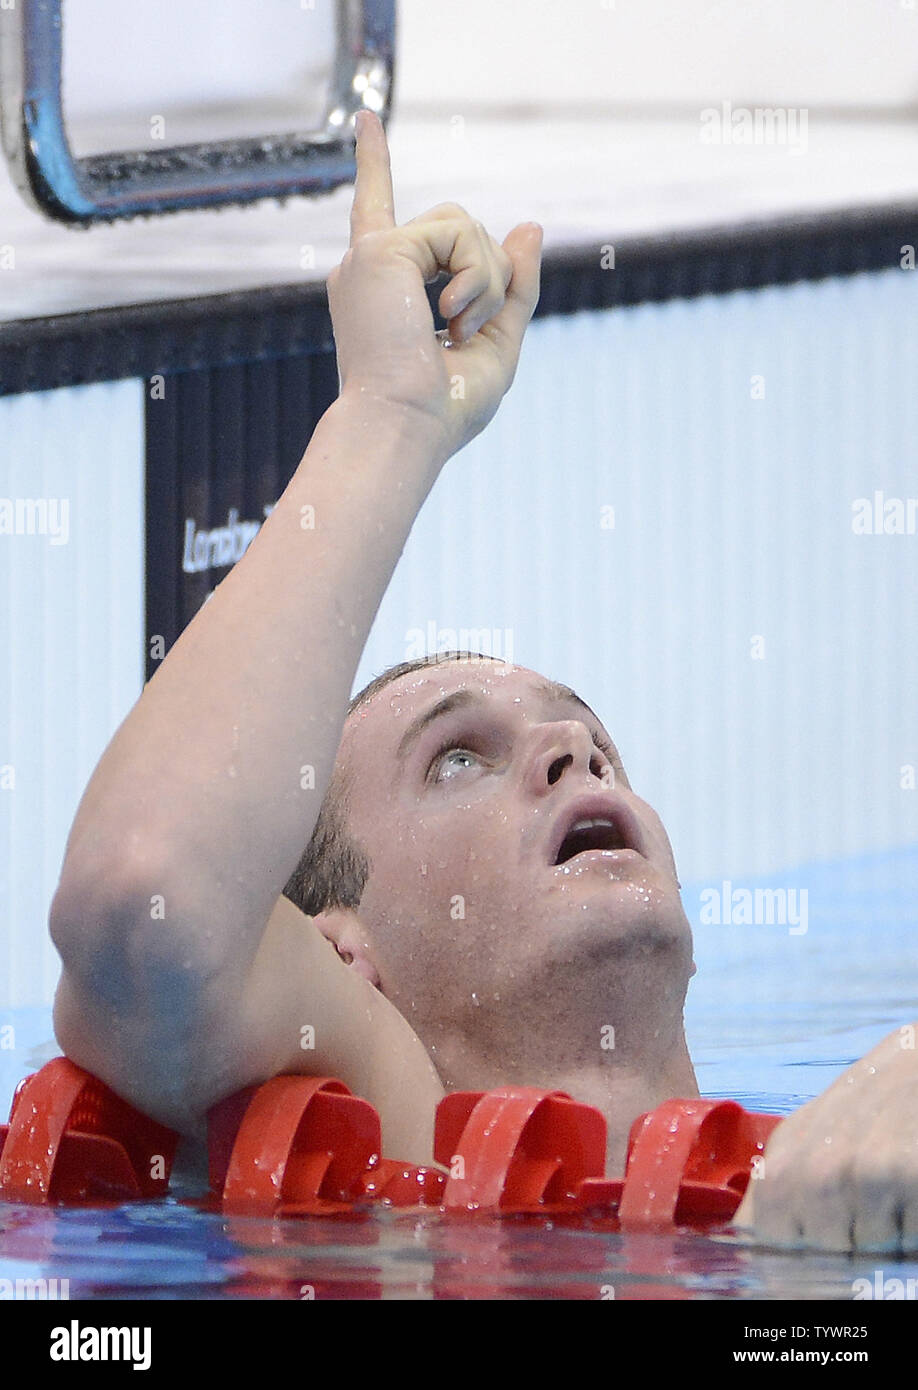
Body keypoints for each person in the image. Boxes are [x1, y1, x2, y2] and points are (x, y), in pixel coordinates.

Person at [48, 109, 918, 1253]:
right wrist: (388, 418)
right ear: (340, 952)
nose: (575, 756)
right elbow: (143, 896)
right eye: (460, 757)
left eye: (592, 743)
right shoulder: (394, 1180)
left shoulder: (869, 1126)